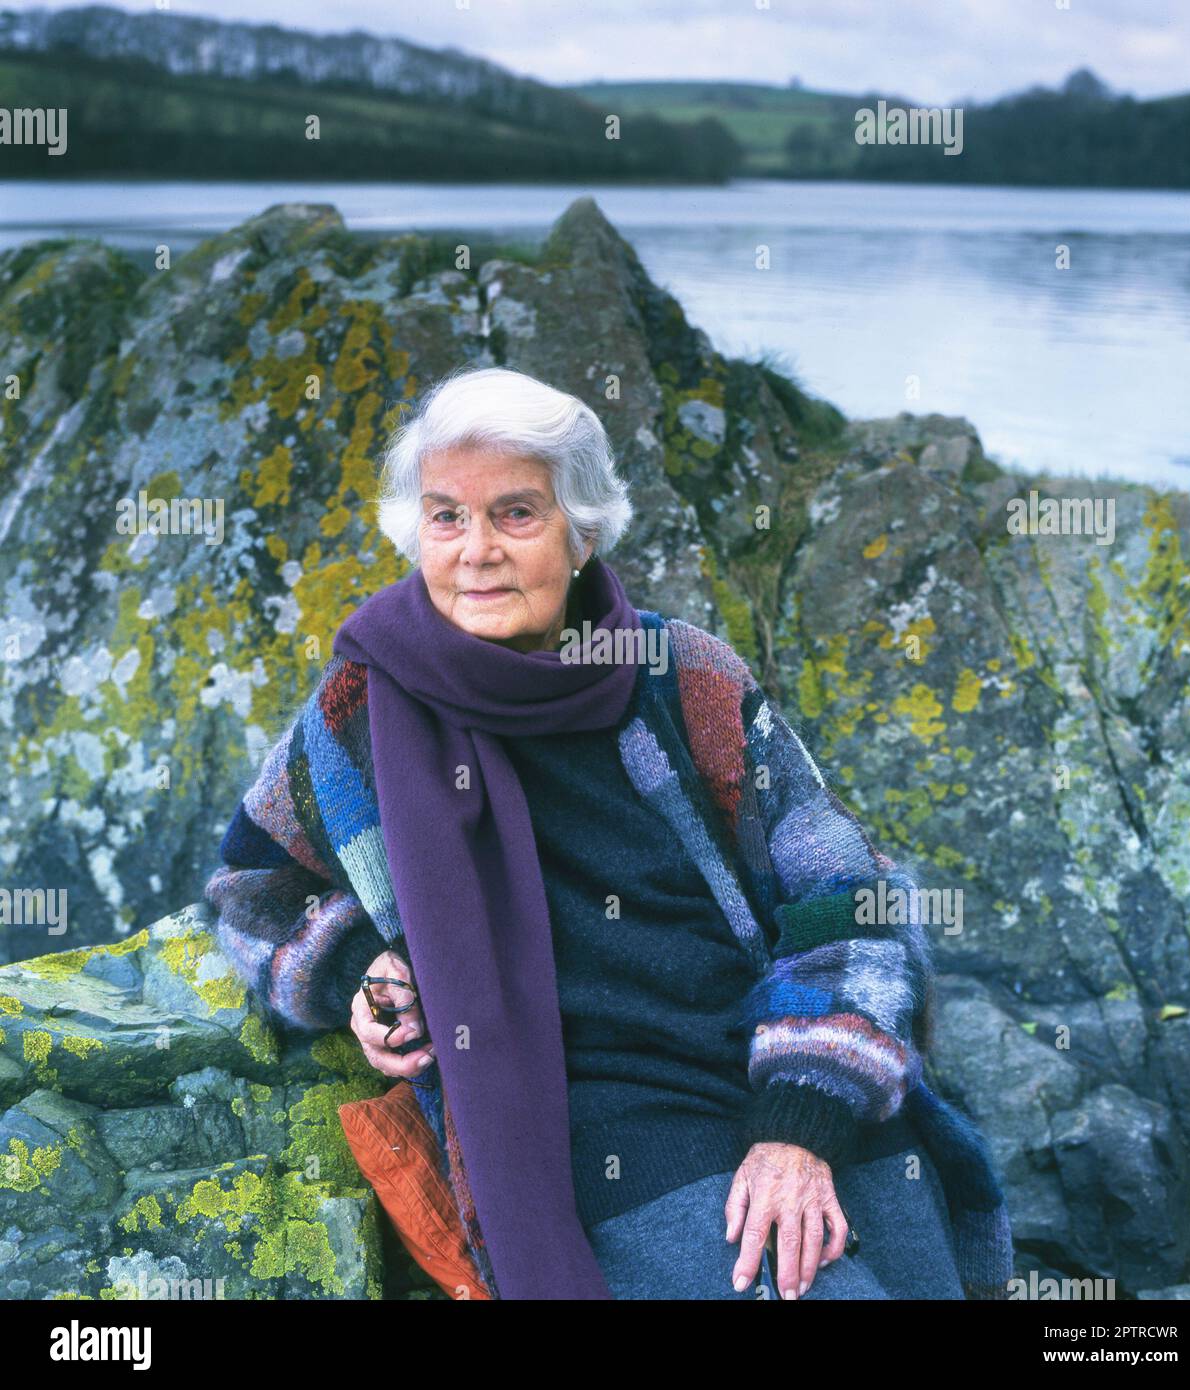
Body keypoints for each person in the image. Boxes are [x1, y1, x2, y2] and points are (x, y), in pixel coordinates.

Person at [205, 363, 1012, 1301]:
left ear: (582, 532)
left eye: (515, 514)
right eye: (445, 516)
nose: (475, 552)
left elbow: (850, 898)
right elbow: (252, 889)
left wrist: (800, 1123)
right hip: (594, 1120)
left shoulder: (681, 675)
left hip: (782, 1068)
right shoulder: (359, 711)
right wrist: (353, 971)